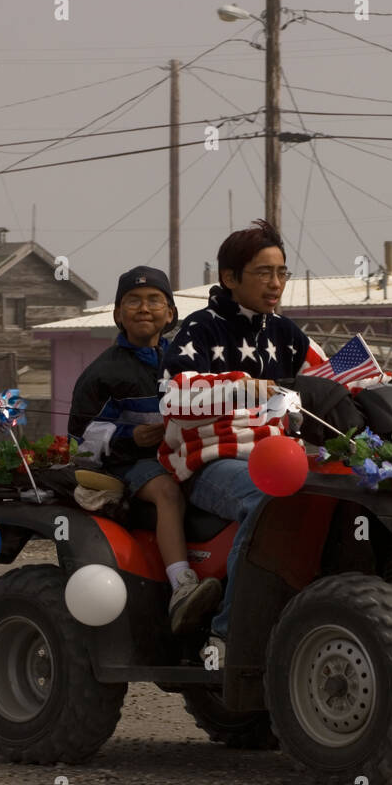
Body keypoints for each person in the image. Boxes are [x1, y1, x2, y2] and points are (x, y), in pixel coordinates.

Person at [159, 220, 316, 658]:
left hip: (277, 456)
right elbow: (174, 400)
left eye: (282, 272)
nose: (276, 283)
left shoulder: (285, 334)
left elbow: (333, 376)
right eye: (263, 272)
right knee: (268, 499)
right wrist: (246, 387)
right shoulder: (200, 330)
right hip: (209, 463)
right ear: (229, 277)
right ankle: (228, 634)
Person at [69, 266, 222, 632]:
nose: (143, 308)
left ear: (170, 313)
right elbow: (80, 438)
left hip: (183, 456)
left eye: (155, 300)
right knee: (168, 492)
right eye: (132, 301)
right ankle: (181, 586)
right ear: (118, 314)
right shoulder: (102, 372)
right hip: (129, 466)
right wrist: (128, 437)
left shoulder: (186, 363)